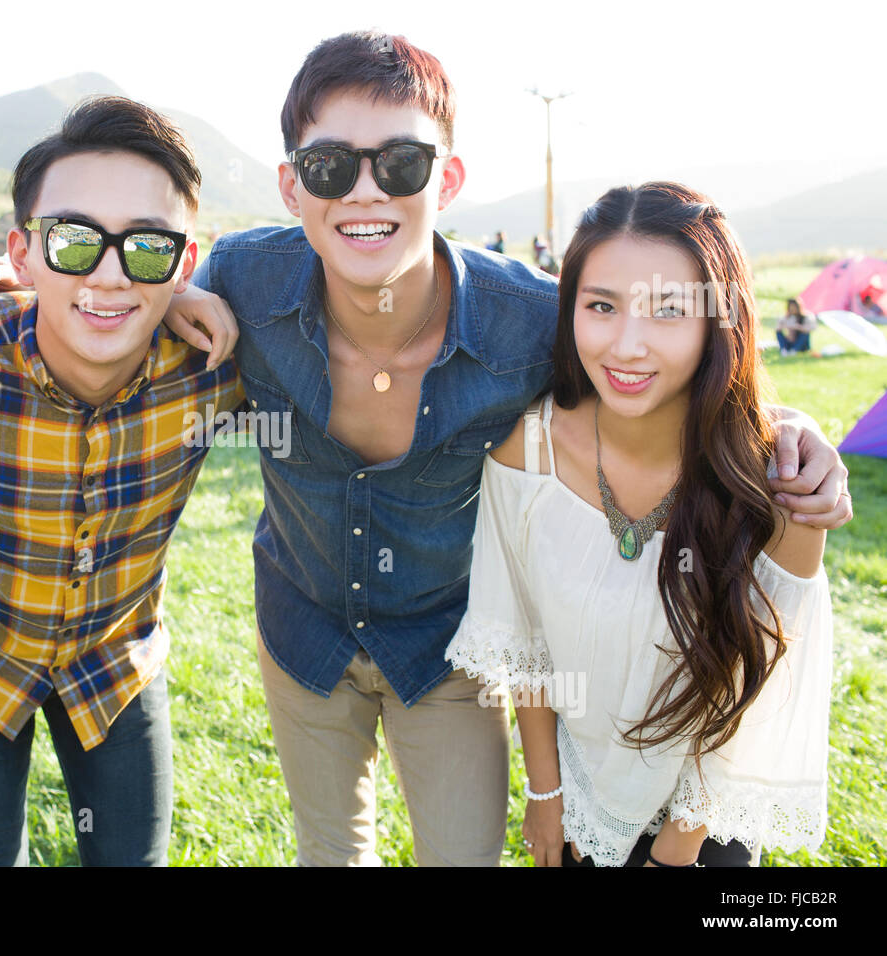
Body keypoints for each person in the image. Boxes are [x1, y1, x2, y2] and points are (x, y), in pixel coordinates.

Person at [170, 30, 851, 866]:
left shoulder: (534, 319)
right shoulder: (239, 278)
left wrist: (787, 431)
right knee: (328, 856)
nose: (363, 190)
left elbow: (658, 358)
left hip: (445, 647)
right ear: (290, 184)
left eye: (401, 164)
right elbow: (112, 295)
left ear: (447, 178)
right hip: (300, 625)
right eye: (329, 166)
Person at [0, 95, 242, 866]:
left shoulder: (214, 370)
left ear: (186, 261)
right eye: (76, 240)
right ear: (22, 253)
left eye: (148, 247)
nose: (111, 273)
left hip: (117, 662)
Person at [445, 182, 832, 867]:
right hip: (579, 801)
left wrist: (675, 853)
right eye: (601, 307)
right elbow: (528, 644)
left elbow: (754, 688)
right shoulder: (527, 452)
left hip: (706, 822)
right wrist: (546, 795)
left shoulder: (781, 487)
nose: (627, 345)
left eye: (668, 311)